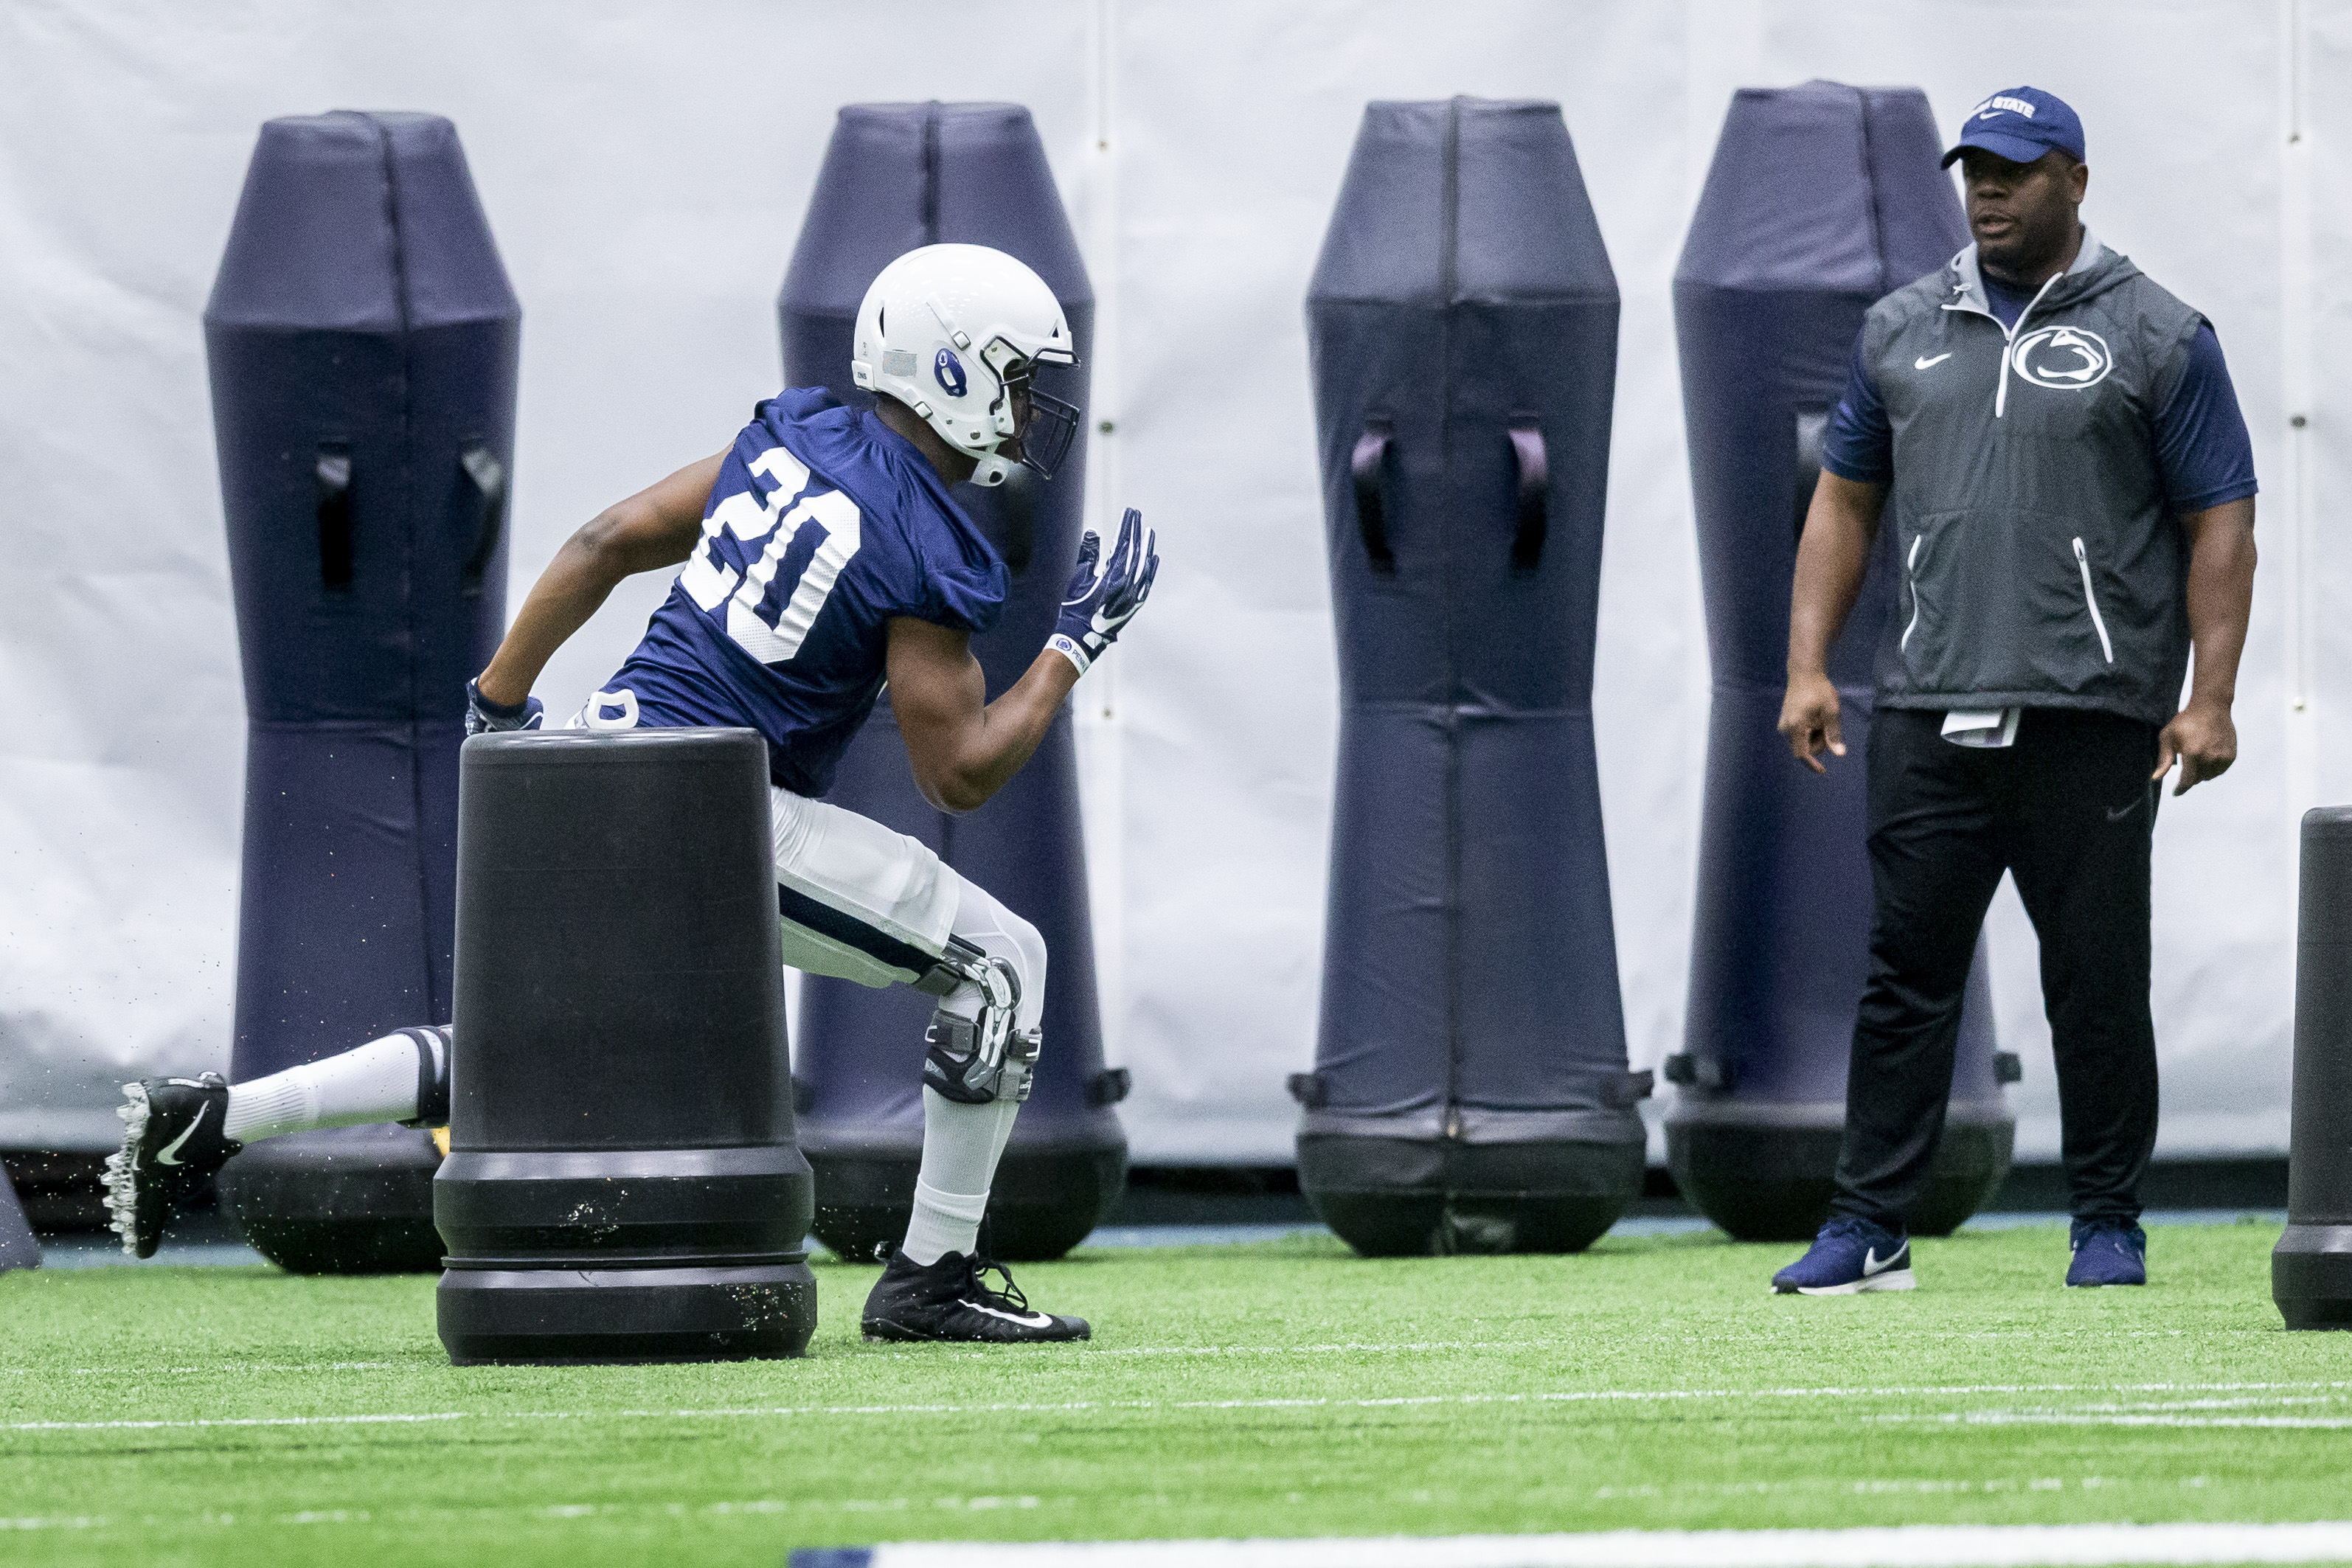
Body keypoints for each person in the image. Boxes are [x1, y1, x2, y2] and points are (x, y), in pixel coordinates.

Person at [102, 243, 1158, 1344]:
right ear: (952, 372)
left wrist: (501, 704)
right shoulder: (925, 540)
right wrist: (1074, 648)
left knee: (538, 1053)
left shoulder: (791, 433)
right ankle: (932, 1274)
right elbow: (961, 772)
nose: (1033, 408)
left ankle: (221, 1116)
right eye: (1020, 379)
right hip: (715, 809)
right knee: (1001, 965)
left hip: (595, 766)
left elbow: (605, 540)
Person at [1769, 87, 2258, 1294]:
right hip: (1931, 705)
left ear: (2074, 181)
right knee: (1903, 978)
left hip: (2092, 716)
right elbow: (1842, 499)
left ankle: (2106, 1222)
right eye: (1974, 170)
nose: (1987, 190)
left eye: (2015, 170)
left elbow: (2222, 520)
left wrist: (2211, 696)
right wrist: (1806, 665)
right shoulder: (1898, 328)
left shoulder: (2158, 332)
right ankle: (1868, 1223)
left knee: (2093, 979)